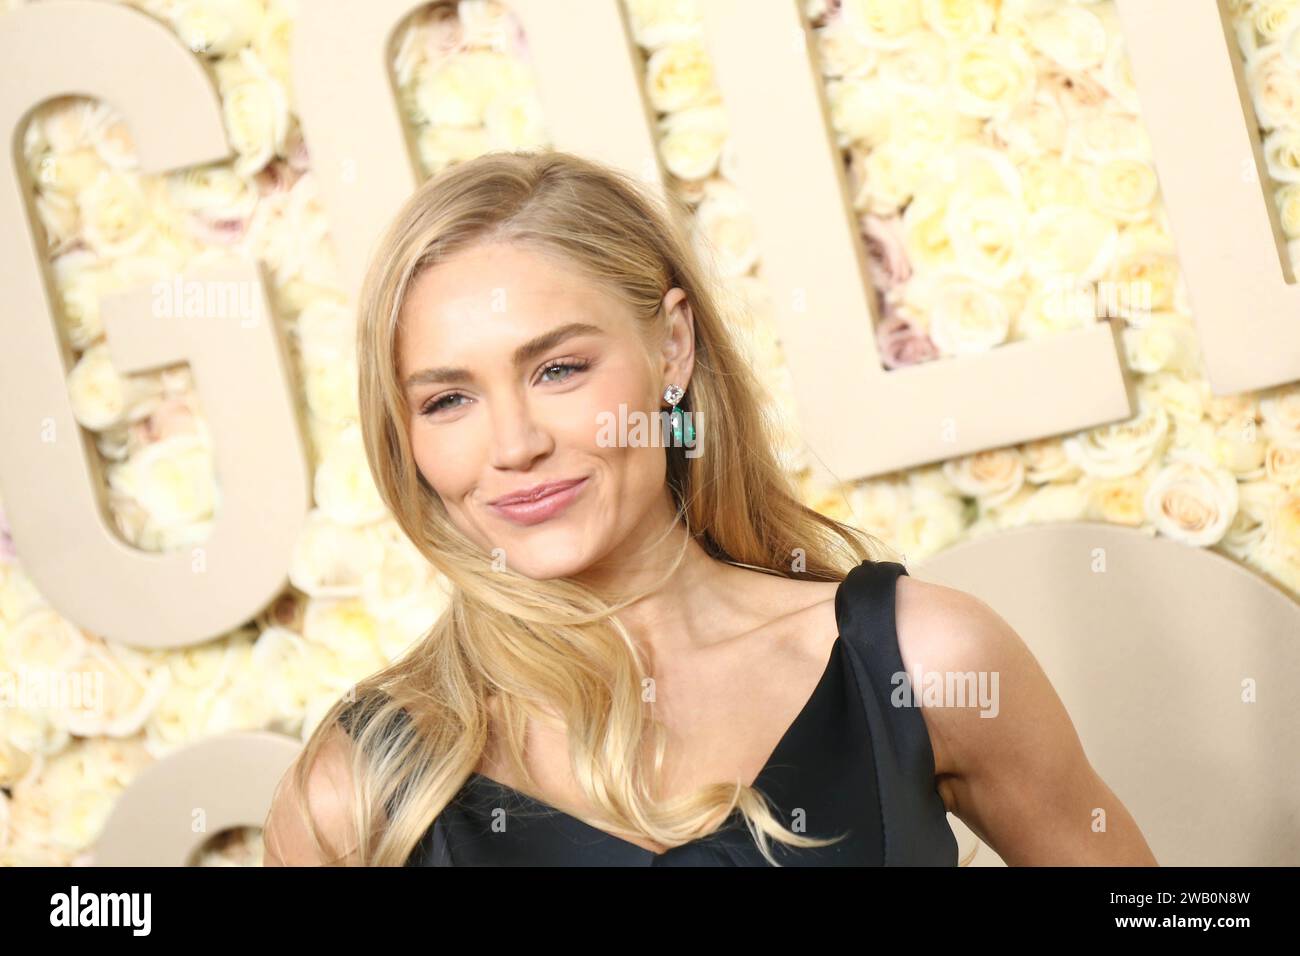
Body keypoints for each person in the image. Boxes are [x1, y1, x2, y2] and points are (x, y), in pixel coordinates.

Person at [262, 149, 1157, 867]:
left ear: (672, 345)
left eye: (559, 369)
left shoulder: (918, 660)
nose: (513, 446)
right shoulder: (365, 787)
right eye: (447, 400)